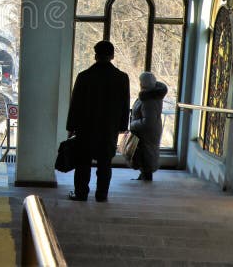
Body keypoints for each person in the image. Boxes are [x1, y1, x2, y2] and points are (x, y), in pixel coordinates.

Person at [66, 40, 130, 202]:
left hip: (85, 128)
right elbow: (125, 104)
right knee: (105, 163)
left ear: (95, 56)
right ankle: (102, 195)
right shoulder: (122, 78)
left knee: (83, 163)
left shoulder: (84, 77)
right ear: (112, 56)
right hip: (109, 128)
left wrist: (71, 127)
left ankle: (81, 193)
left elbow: (75, 105)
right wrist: (122, 126)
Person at [129, 72, 168, 181]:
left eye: (141, 82)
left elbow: (148, 122)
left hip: (146, 133)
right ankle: (144, 175)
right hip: (150, 131)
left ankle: (146, 176)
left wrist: (133, 124)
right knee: (145, 154)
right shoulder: (151, 95)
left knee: (146, 154)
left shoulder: (148, 99)